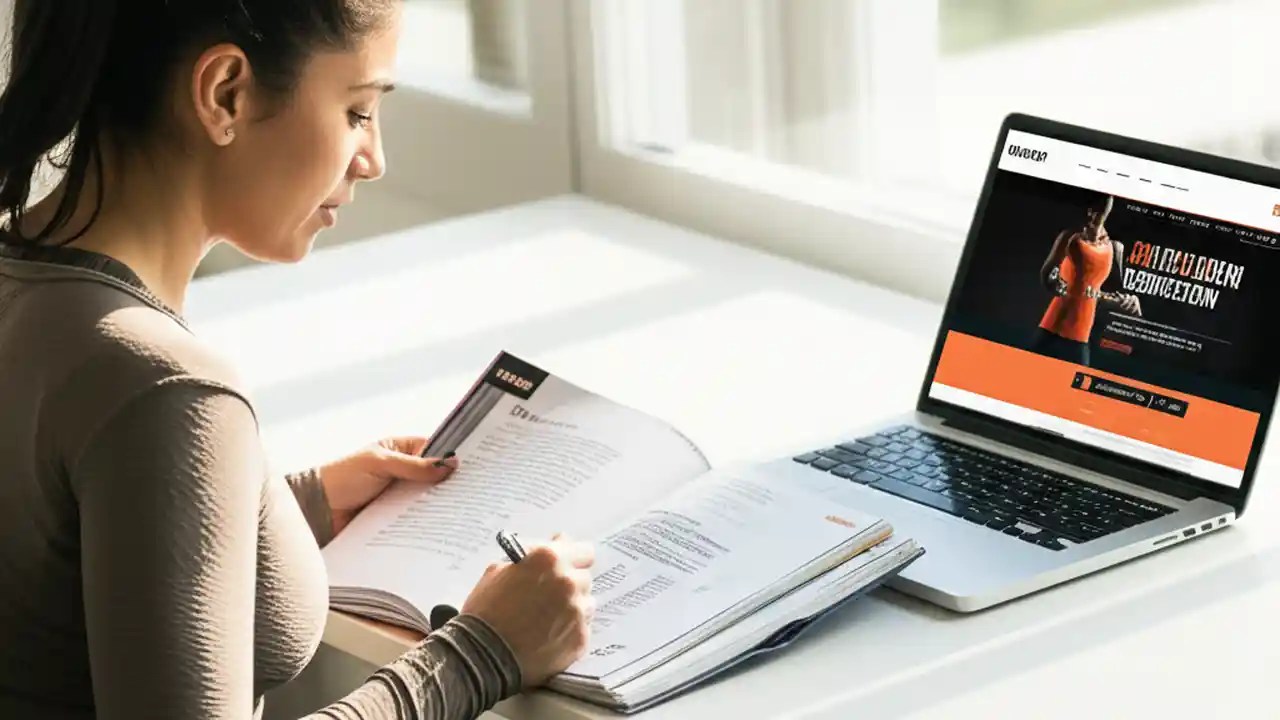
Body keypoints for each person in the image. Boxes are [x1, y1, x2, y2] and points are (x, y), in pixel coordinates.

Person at [0, 2, 595, 719]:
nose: (374, 159)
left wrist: (297, 502)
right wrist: (481, 653)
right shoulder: (164, 389)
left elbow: (55, 564)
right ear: (225, 93)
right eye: (358, 111)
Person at [1032, 193, 1143, 366]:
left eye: (1102, 209)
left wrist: (1130, 301)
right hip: (1053, 324)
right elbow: (1046, 273)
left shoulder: (1115, 248)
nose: (1095, 214)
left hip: (1080, 334)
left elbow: (1113, 294)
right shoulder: (1070, 238)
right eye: (1094, 209)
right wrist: (1052, 283)